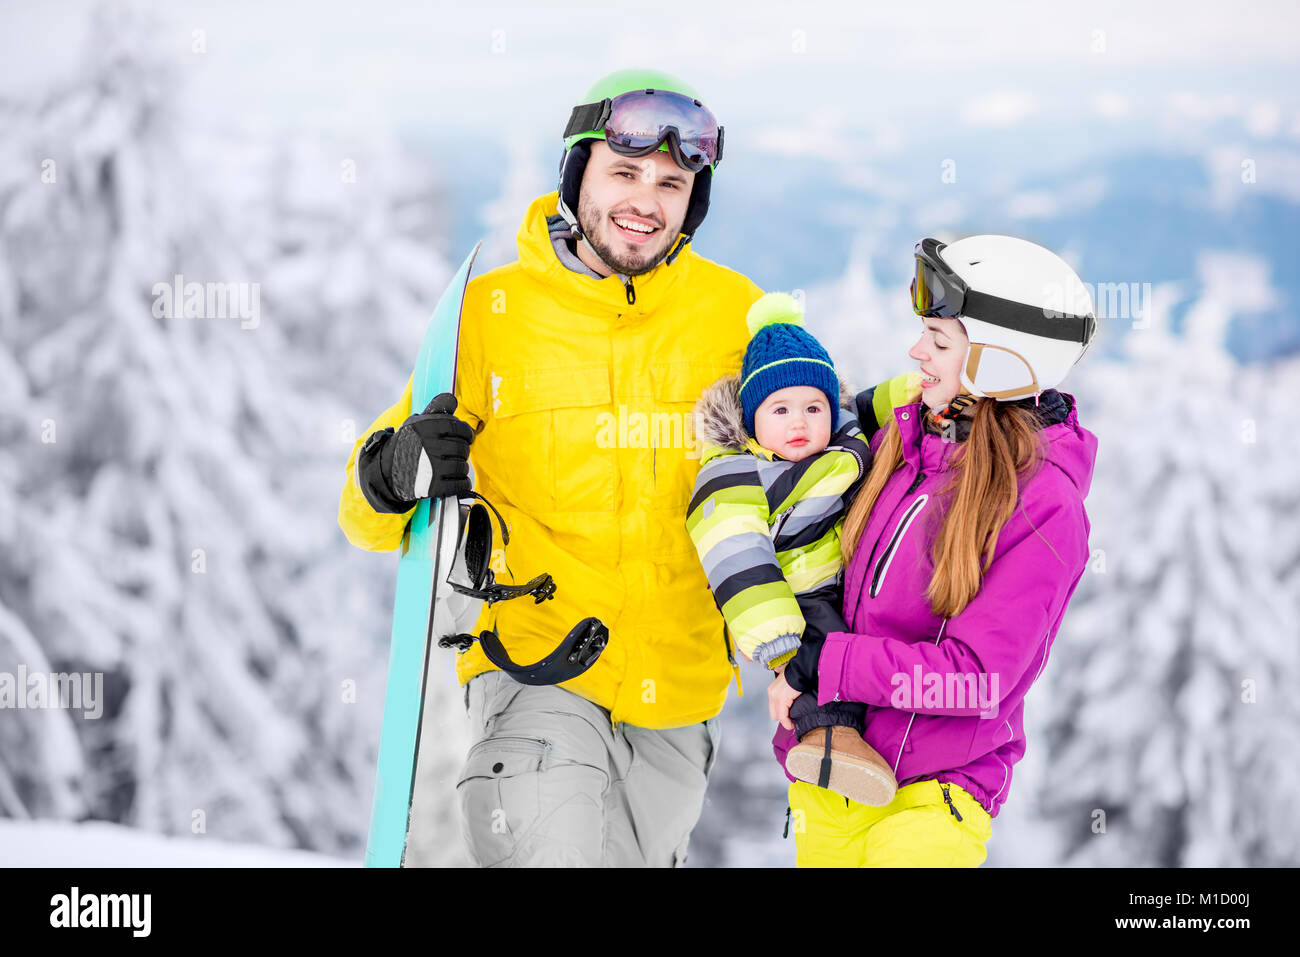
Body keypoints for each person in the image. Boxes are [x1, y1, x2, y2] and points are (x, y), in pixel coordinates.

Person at [338, 69, 765, 867]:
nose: (647, 199)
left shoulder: (736, 316)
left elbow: (804, 464)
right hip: (538, 670)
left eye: (672, 183)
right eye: (624, 172)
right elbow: (363, 516)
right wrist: (393, 470)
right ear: (577, 177)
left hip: (679, 700)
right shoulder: (493, 317)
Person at [768, 235, 1099, 867]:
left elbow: (977, 680)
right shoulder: (905, 444)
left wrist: (830, 663)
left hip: (934, 801)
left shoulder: (1044, 505)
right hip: (833, 774)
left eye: (940, 342)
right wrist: (792, 670)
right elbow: (821, 571)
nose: (916, 351)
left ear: (1003, 364)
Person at [687, 292, 917, 806]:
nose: (800, 422)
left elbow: (879, 403)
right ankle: (828, 739)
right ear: (752, 418)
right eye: (781, 409)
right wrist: (771, 627)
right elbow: (732, 544)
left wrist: (925, 390)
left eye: (814, 407)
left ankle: (849, 738)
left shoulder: (838, 433)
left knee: (861, 644)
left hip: (846, 579)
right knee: (827, 649)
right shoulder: (737, 471)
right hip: (794, 595)